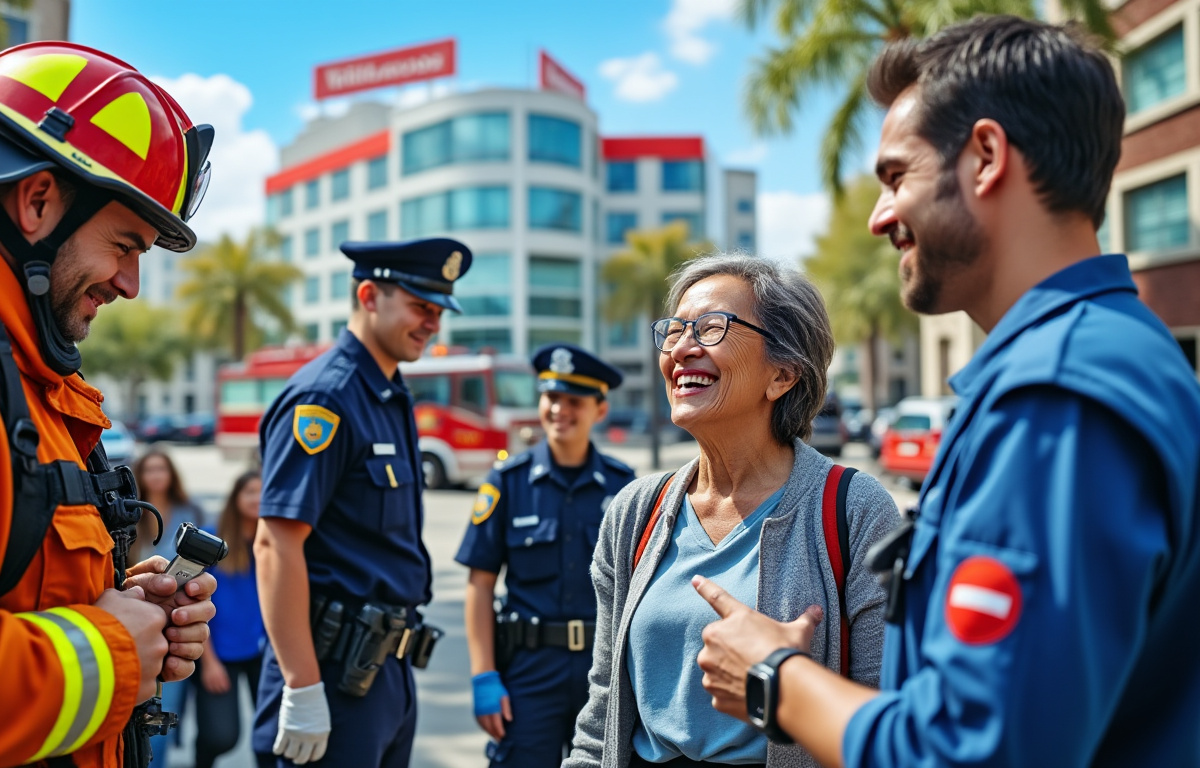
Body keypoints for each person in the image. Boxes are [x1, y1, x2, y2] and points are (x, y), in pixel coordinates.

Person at [693, 16, 1200, 768]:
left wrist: (775, 677)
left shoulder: (1055, 397)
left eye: (897, 176)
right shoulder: (1120, 354)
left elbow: (971, 750)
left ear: (987, 157)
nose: (879, 218)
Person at [0, 41, 218, 767]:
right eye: (125, 244)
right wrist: (116, 650)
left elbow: (5, 603)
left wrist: (124, 604)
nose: (131, 284)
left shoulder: (15, 372)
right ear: (39, 199)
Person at [565, 253, 899, 768]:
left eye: (710, 327)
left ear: (782, 375)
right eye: (674, 330)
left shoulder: (853, 511)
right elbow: (603, 710)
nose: (680, 348)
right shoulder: (635, 513)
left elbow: (884, 712)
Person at [252, 237, 472, 767]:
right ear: (370, 295)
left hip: (383, 672)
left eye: (439, 311)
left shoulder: (387, 393)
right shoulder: (326, 397)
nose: (433, 323)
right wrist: (303, 688)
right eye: (421, 307)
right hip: (329, 671)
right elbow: (275, 543)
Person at [455, 343, 636, 766]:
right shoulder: (507, 481)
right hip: (528, 672)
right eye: (552, 398)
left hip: (602, 673)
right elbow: (480, 584)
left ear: (600, 411)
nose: (560, 410)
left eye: (575, 401)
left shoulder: (624, 487)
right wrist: (484, 676)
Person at [134, 449, 207, 768]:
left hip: (178, 625)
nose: (156, 476)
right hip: (137, 622)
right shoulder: (130, 515)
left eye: (162, 468)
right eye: (149, 469)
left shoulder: (190, 512)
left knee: (161, 719)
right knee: (139, 720)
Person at [195, 470, 272, 768]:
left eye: (263, 491)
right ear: (236, 497)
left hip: (262, 652)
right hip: (219, 651)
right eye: (250, 491)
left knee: (272, 735)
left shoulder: (276, 541)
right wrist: (209, 662)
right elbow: (196, 599)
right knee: (220, 736)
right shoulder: (213, 539)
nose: (257, 498)